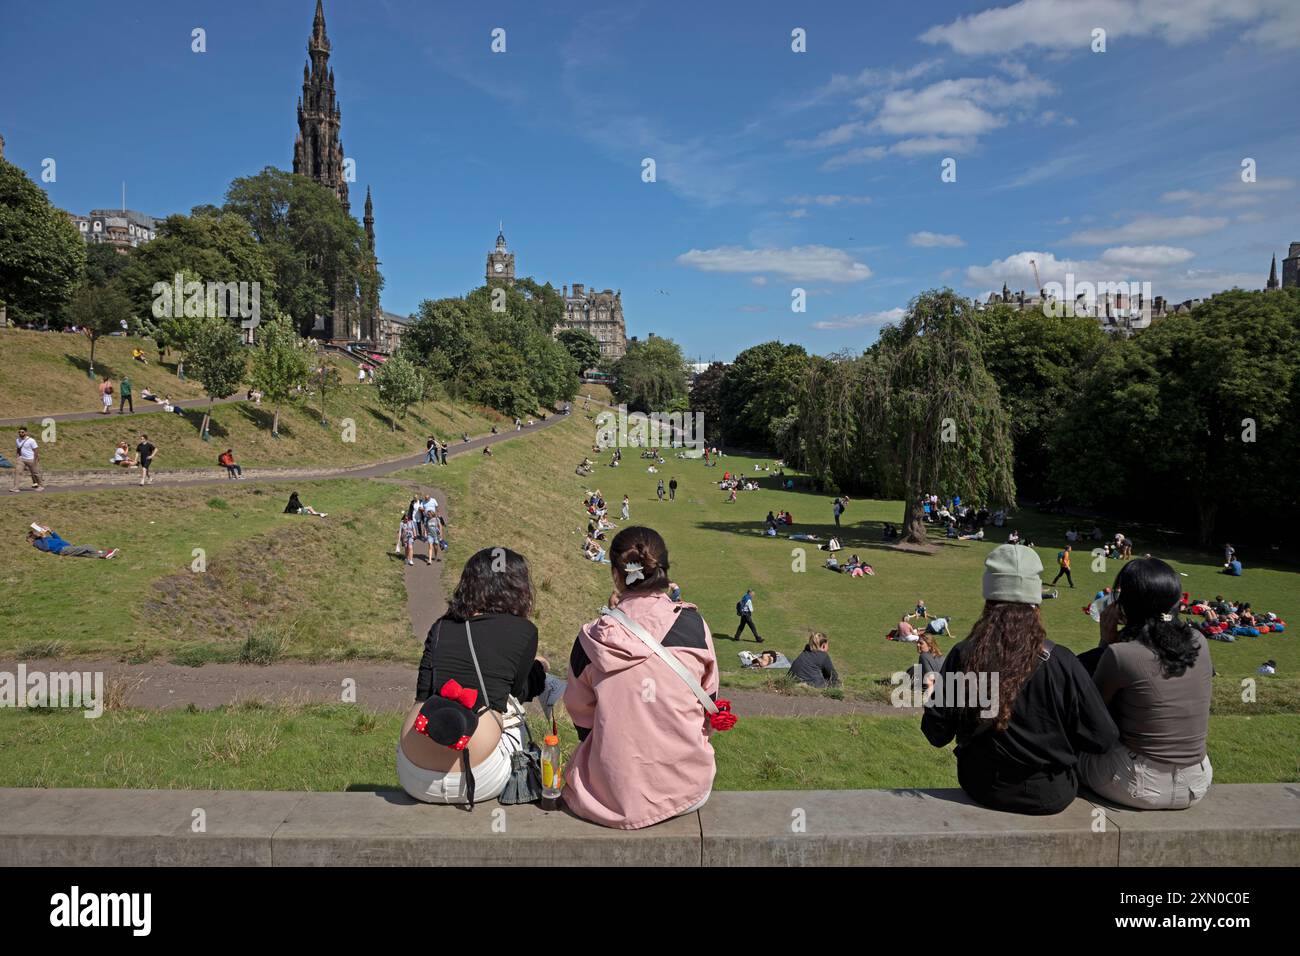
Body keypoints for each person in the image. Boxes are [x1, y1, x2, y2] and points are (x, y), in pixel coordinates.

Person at [921, 545, 1118, 815]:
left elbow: (936, 733)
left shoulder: (963, 655)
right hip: (1050, 792)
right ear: (1036, 604)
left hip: (981, 784)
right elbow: (1103, 738)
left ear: (988, 601)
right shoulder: (1061, 661)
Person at [563, 525, 720, 828]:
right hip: (687, 788)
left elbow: (582, 720)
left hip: (607, 794)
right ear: (663, 569)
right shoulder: (694, 625)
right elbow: (708, 702)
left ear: (615, 574)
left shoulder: (590, 640)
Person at [397, 547, 549, 805]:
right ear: (518, 587)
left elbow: (424, 691)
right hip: (478, 779)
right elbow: (519, 692)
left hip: (413, 774)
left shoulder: (441, 626)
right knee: (511, 715)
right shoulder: (523, 631)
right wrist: (539, 669)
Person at [1076, 558, 1213, 811]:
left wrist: (1106, 643)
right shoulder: (1199, 641)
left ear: (1124, 606)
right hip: (1197, 782)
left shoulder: (1121, 655)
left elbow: (1089, 720)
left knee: (1070, 750)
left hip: (1135, 784)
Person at [27, 525, 118, 559]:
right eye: (35, 533)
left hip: (66, 546)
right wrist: (43, 537)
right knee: (87, 547)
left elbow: (58, 539)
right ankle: (105, 553)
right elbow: (46, 548)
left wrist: (51, 531)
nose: (37, 532)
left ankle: (106, 556)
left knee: (87, 553)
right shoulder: (37, 543)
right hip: (62, 550)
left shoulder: (44, 538)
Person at [11, 426, 44, 493]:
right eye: (19, 432)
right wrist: (18, 457)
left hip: (31, 459)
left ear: (26, 432)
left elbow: (36, 450)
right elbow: (18, 449)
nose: (21, 433)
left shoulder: (31, 440)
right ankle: (16, 488)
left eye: (22, 432)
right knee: (17, 472)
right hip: (21, 459)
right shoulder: (17, 440)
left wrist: (35, 460)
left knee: (35, 473)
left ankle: (40, 486)